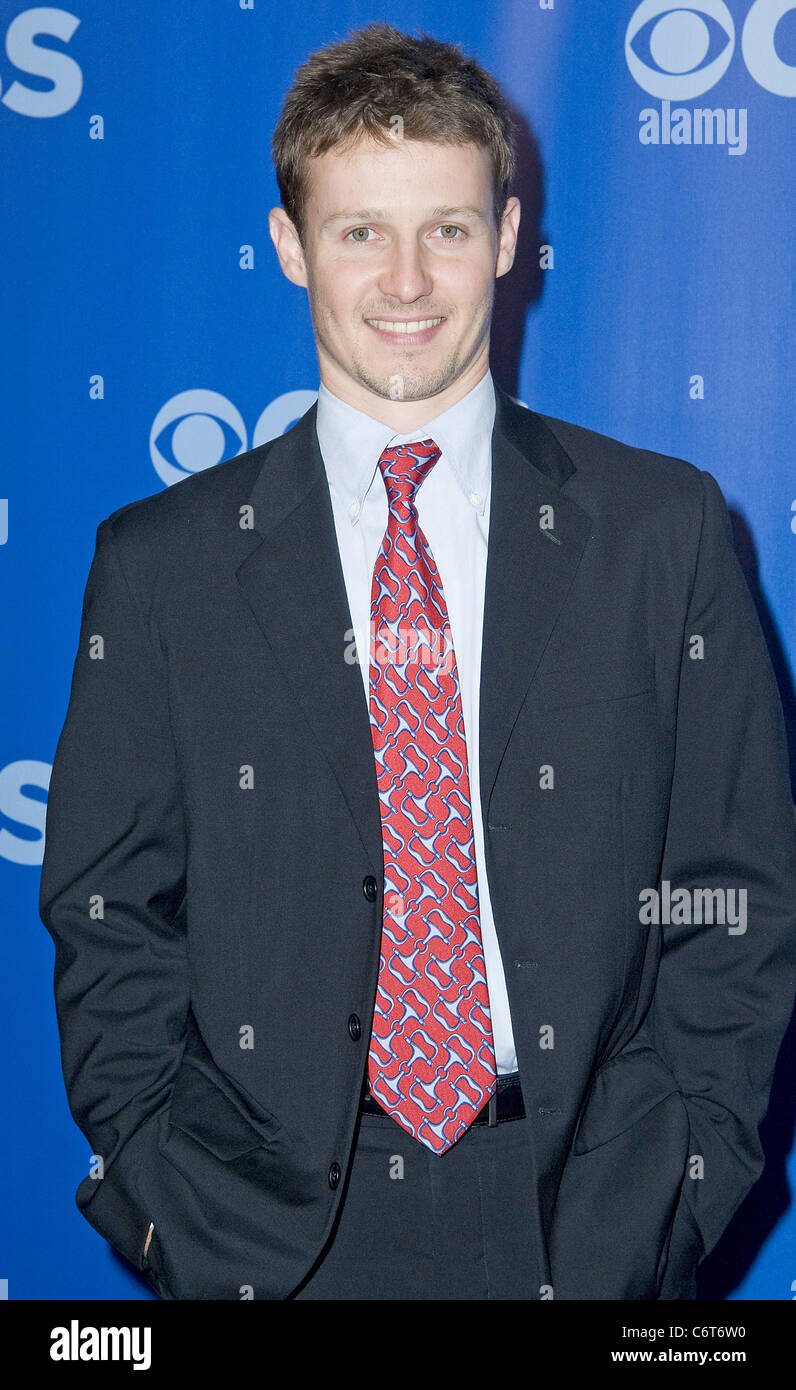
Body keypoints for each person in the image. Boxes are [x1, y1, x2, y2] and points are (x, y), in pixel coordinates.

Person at [40, 22, 796, 1301]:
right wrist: (177, 1202)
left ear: (506, 239)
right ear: (290, 249)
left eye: (445, 228)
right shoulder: (160, 567)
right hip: (268, 1234)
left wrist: (677, 1182)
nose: (405, 281)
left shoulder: (661, 531)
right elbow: (105, 912)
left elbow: (737, 891)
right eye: (358, 232)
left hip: (587, 1218)